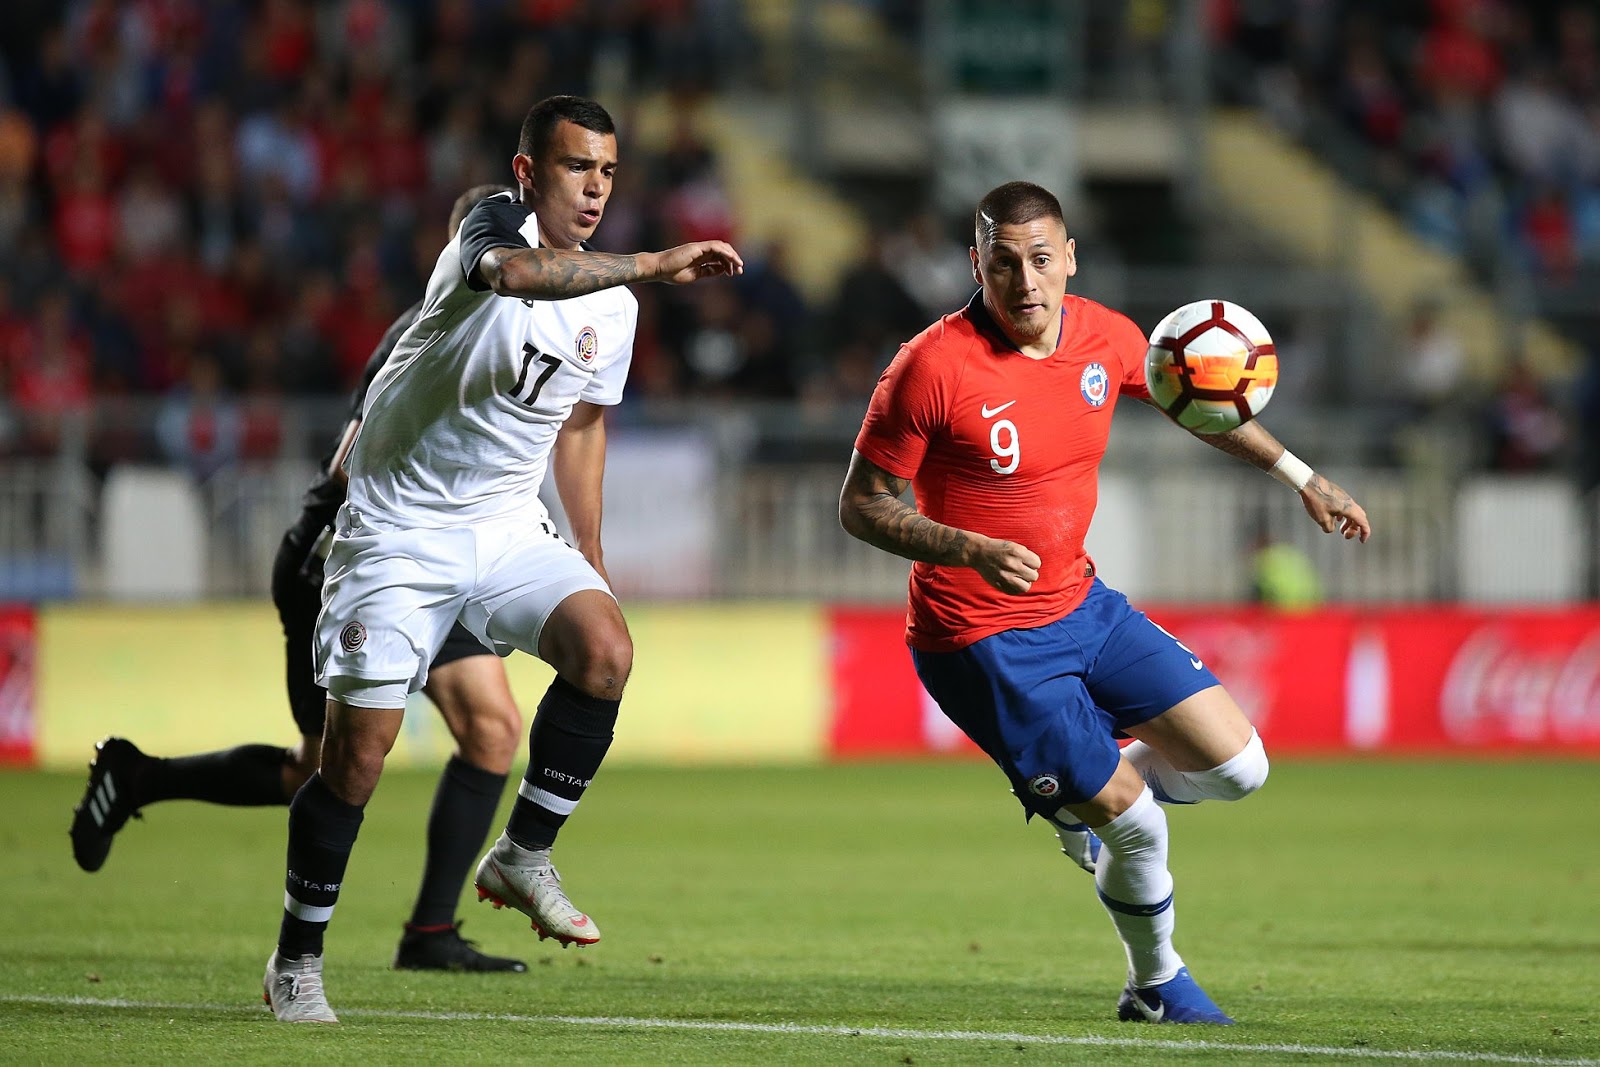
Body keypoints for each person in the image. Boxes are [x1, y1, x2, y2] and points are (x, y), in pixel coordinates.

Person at [838, 182, 1370, 1026]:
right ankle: (1156, 984)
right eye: (1003, 263)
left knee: (1240, 767)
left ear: (1069, 257)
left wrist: (1301, 476)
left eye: (1041, 259)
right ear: (977, 264)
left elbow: (1198, 404)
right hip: (980, 638)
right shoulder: (930, 366)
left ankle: (1077, 792)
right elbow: (862, 504)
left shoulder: (1108, 336)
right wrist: (966, 546)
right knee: (1138, 826)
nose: (1025, 282)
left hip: (1084, 606)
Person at [261, 95, 742, 1023]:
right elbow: (518, 274)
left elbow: (585, 425)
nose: (595, 187)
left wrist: (589, 558)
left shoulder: (615, 305)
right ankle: (296, 958)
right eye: (575, 168)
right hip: (398, 530)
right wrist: (652, 260)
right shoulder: (485, 235)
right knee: (355, 759)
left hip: (505, 525)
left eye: (607, 170)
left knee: (605, 650)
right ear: (529, 173)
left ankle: (521, 854)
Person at [70, 184, 533, 974]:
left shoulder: (518, 331)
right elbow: (349, 461)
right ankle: (139, 777)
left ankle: (428, 933)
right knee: (320, 771)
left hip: (422, 556)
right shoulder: (428, 331)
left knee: (490, 730)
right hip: (347, 555)